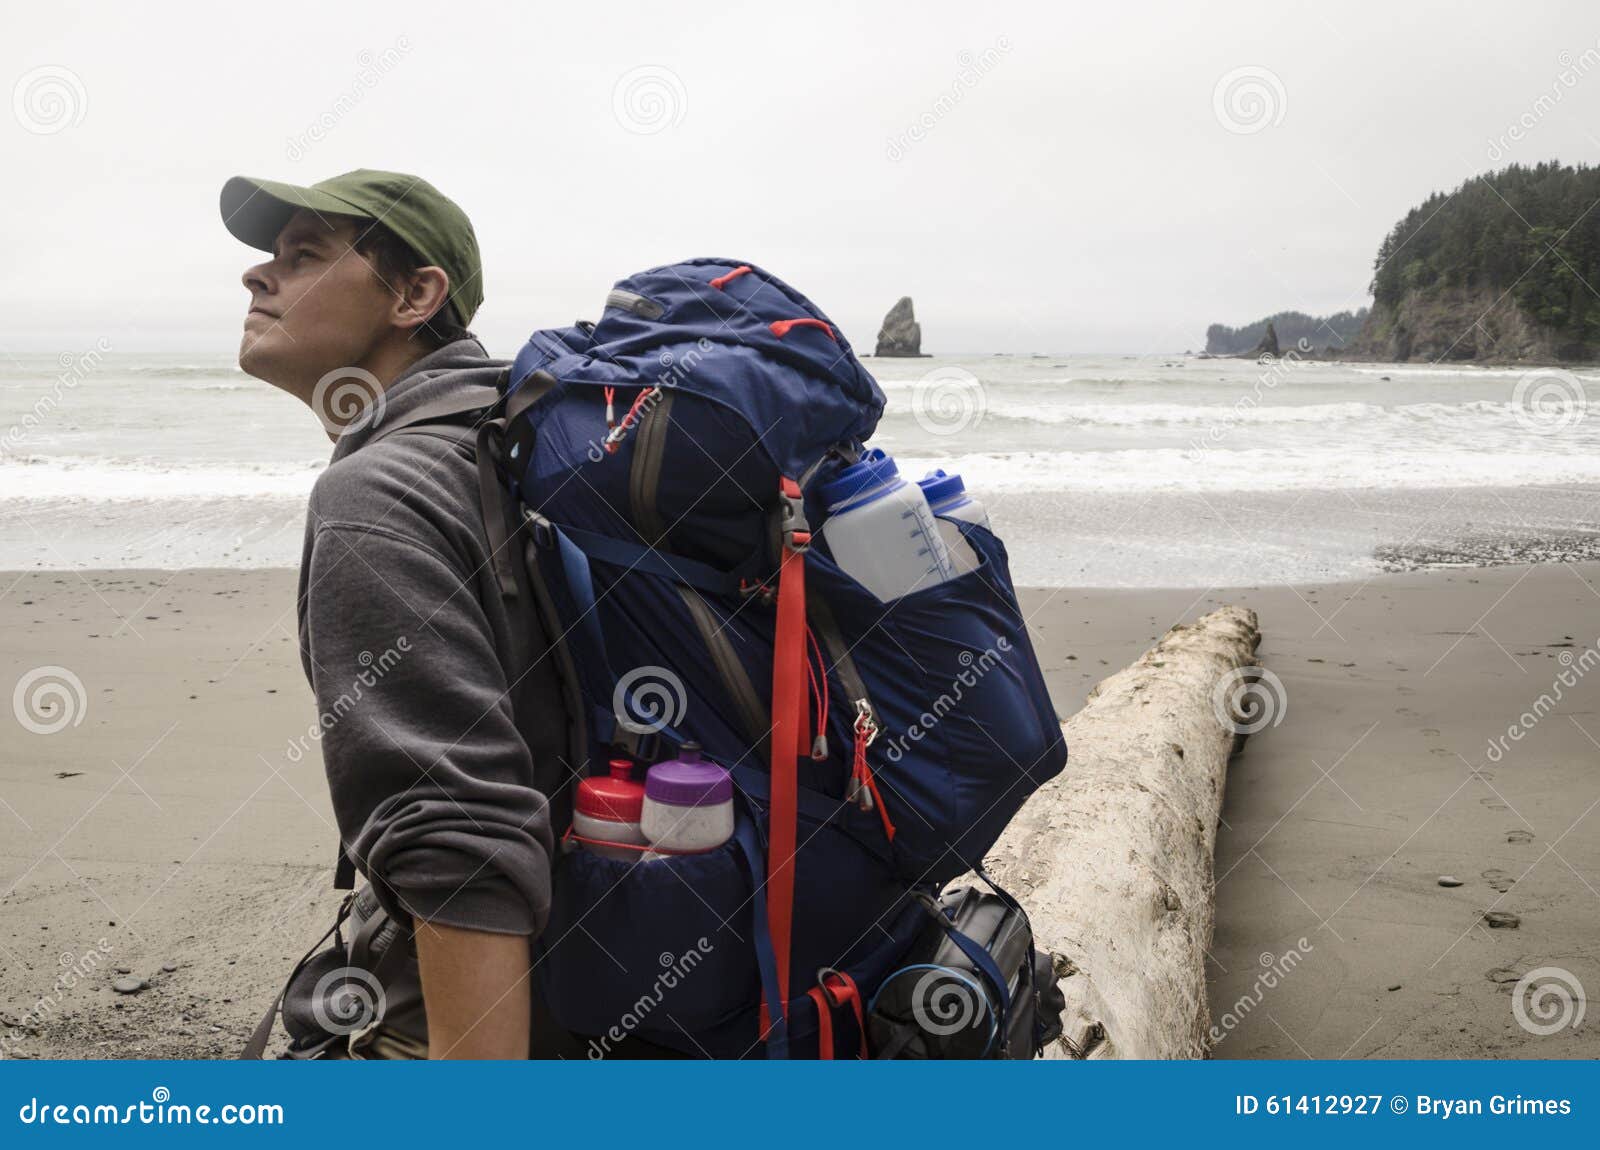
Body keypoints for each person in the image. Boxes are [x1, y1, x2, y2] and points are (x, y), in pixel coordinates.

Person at [221, 169, 607, 1059]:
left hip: (504, 1014)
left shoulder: (377, 494)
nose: (256, 276)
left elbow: (457, 839)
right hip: (631, 964)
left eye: (305, 254)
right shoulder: (510, 442)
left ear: (416, 295)